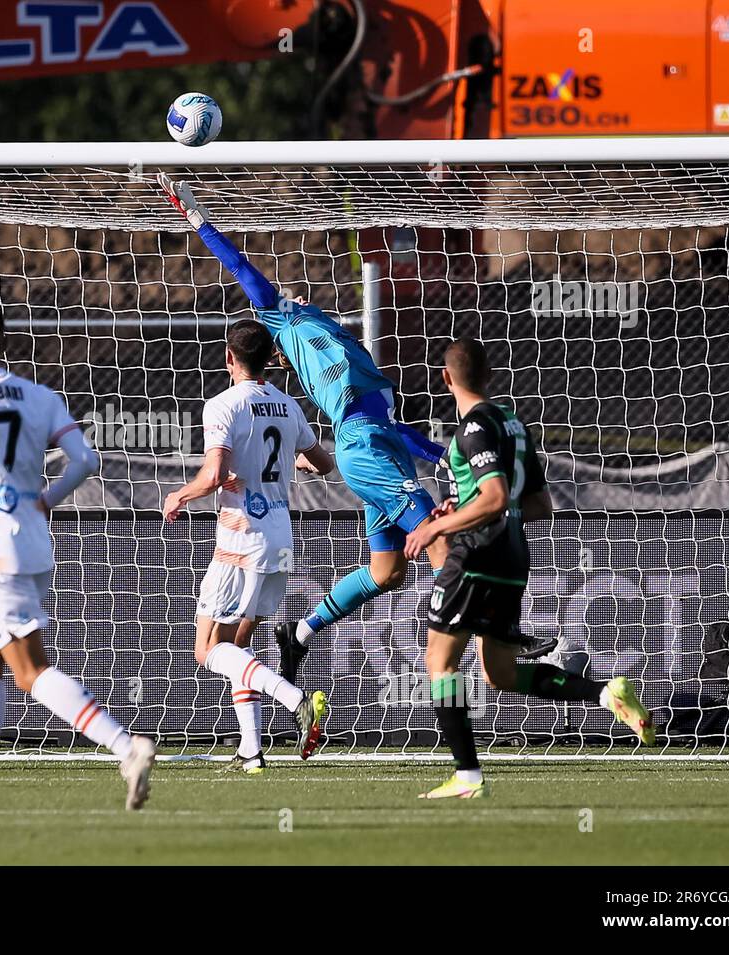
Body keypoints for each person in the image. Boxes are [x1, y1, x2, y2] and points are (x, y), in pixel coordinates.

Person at [157, 174, 447, 685]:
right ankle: (502, 630)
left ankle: (300, 634)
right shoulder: (284, 324)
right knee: (438, 540)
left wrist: (439, 453)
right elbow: (239, 265)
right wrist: (197, 219)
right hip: (362, 447)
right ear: (275, 353)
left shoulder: (329, 342)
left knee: (387, 572)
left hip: (375, 445)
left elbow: (390, 426)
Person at [0, 303, 157, 811]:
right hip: (34, 540)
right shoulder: (39, 396)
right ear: (6, 342)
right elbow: (87, 460)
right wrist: (46, 497)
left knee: (29, 671)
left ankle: (126, 747)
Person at [404, 338, 654, 799]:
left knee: (439, 663)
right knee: (498, 673)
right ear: (489, 375)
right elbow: (539, 504)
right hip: (513, 559)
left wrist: (433, 529)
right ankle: (605, 693)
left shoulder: (473, 428)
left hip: (477, 556)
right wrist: (461, 505)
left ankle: (467, 775)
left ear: (445, 378)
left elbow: (496, 499)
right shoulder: (514, 426)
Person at [164, 319, 335, 772]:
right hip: (281, 537)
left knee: (206, 649)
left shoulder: (222, 405)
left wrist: (179, 495)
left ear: (228, 357)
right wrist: (290, 462)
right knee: (237, 646)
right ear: (268, 361)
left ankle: (293, 697)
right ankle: (250, 750)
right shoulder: (287, 405)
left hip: (241, 535)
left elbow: (215, 475)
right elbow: (323, 463)